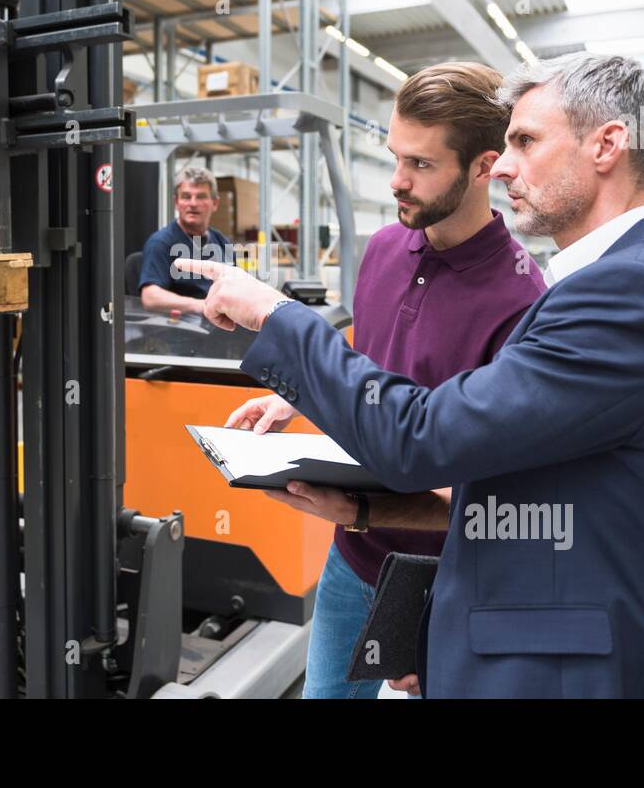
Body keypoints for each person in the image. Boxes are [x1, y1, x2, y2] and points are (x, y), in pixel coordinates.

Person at [175, 52, 644, 698]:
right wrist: (367, 511)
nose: (505, 163)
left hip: (561, 670)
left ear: (608, 145)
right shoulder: (603, 288)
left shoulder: (633, 292)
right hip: (498, 628)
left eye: (525, 140)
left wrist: (274, 314)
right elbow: (528, 485)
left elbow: (426, 435)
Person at [224, 62, 544, 698]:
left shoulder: (521, 301)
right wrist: (295, 395)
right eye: (395, 156)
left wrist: (371, 512)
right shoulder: (383, 249)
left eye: (421, 165)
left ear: (484, 166)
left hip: (441, 575)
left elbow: (499, 497)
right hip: (352, 558)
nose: (398, 181)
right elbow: (367, 359)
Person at [139, 165, 231, 315]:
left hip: (222, 327)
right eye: (186, 196)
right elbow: (150, 297)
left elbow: (236, 285)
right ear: (176, 202)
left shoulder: (221, 242)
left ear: (215, 203)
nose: (193, 203)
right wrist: (202, 306)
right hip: (182, 332)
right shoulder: (161, 243)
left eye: (201, 196)